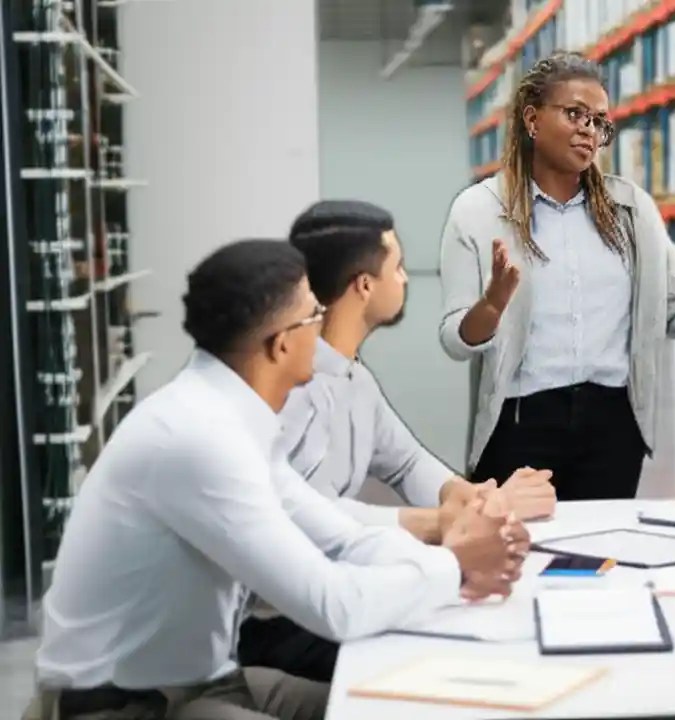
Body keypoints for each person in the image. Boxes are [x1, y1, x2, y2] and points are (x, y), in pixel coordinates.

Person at [29, 240, 527, 720]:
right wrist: (454, 565)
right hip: (127, 707)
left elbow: (343, 540)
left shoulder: (232, 418)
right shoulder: (199, 439)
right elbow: (333, 605)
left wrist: (454, 553)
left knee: (401, 706)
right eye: (314, 315)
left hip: (202, 683)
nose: (326, 326)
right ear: (282, 342)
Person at [235, 202, 556, 683]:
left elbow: (406, 463)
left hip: (323, 597)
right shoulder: (293, 389)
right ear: (364, 286)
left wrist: (475, 498)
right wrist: (441, 524)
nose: (406, 279)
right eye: (398, 267)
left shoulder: (351, 378)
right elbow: (308, 521)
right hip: (274, 624)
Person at [438, 51, 675, 501]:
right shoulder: (478, 211)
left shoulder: (631, 211)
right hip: (520, 423)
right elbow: (455, 339)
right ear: (532, 119)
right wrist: (492, 306)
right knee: (515, 554)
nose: (588, 130)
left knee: (604, 553)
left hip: (613, 426)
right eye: (574, 114)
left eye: (599, 121)